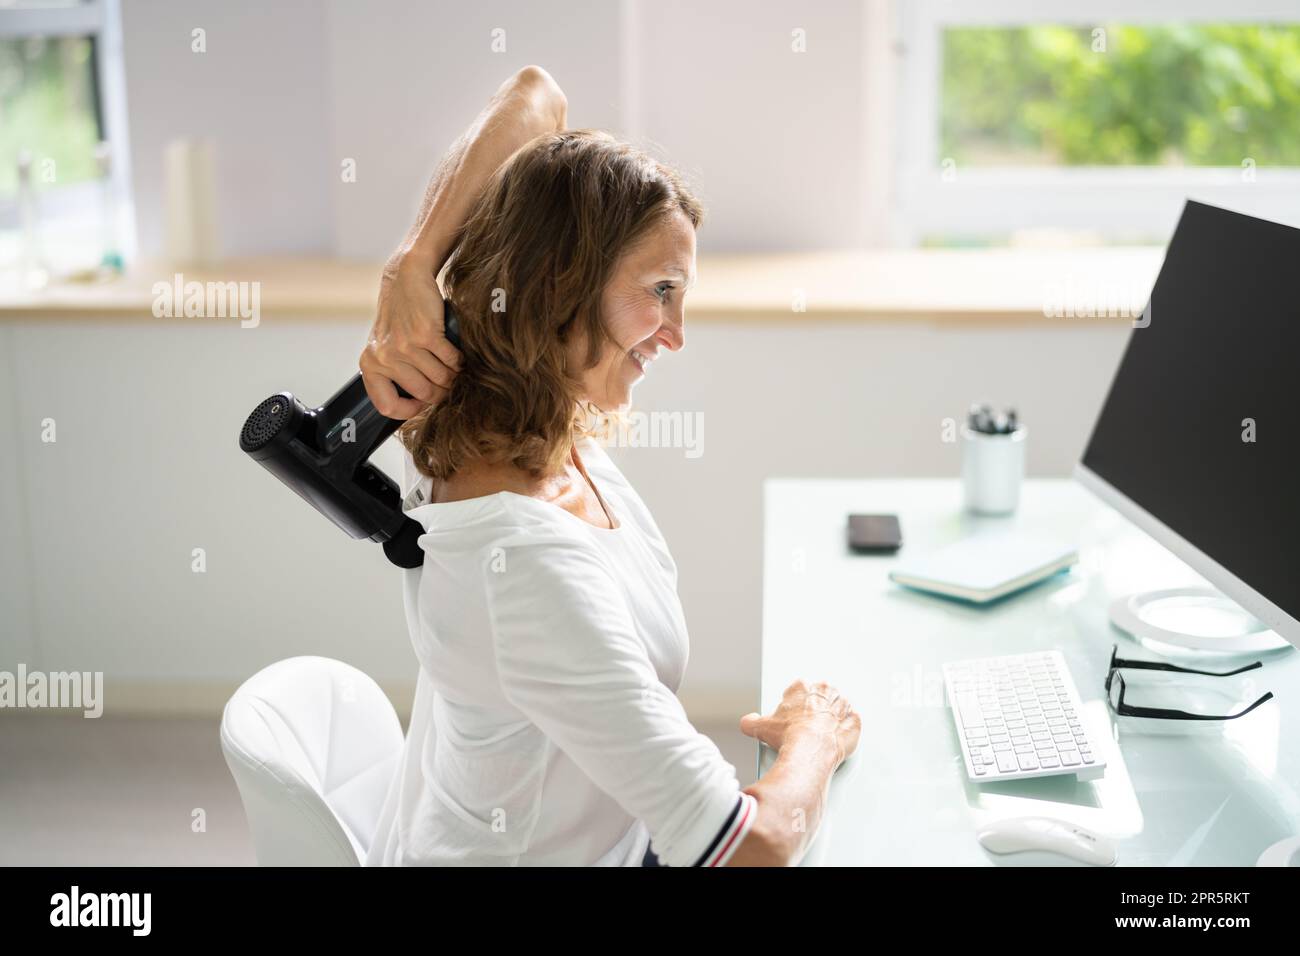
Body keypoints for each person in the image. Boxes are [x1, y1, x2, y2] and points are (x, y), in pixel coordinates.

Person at [360, 66, 860, 866]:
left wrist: (415, 263)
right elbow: (755, 849)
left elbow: (535, 97)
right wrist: (815, 741)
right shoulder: (525, 563)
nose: (676, 332)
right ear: (558, 285)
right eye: (660, 289)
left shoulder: (503, 418)